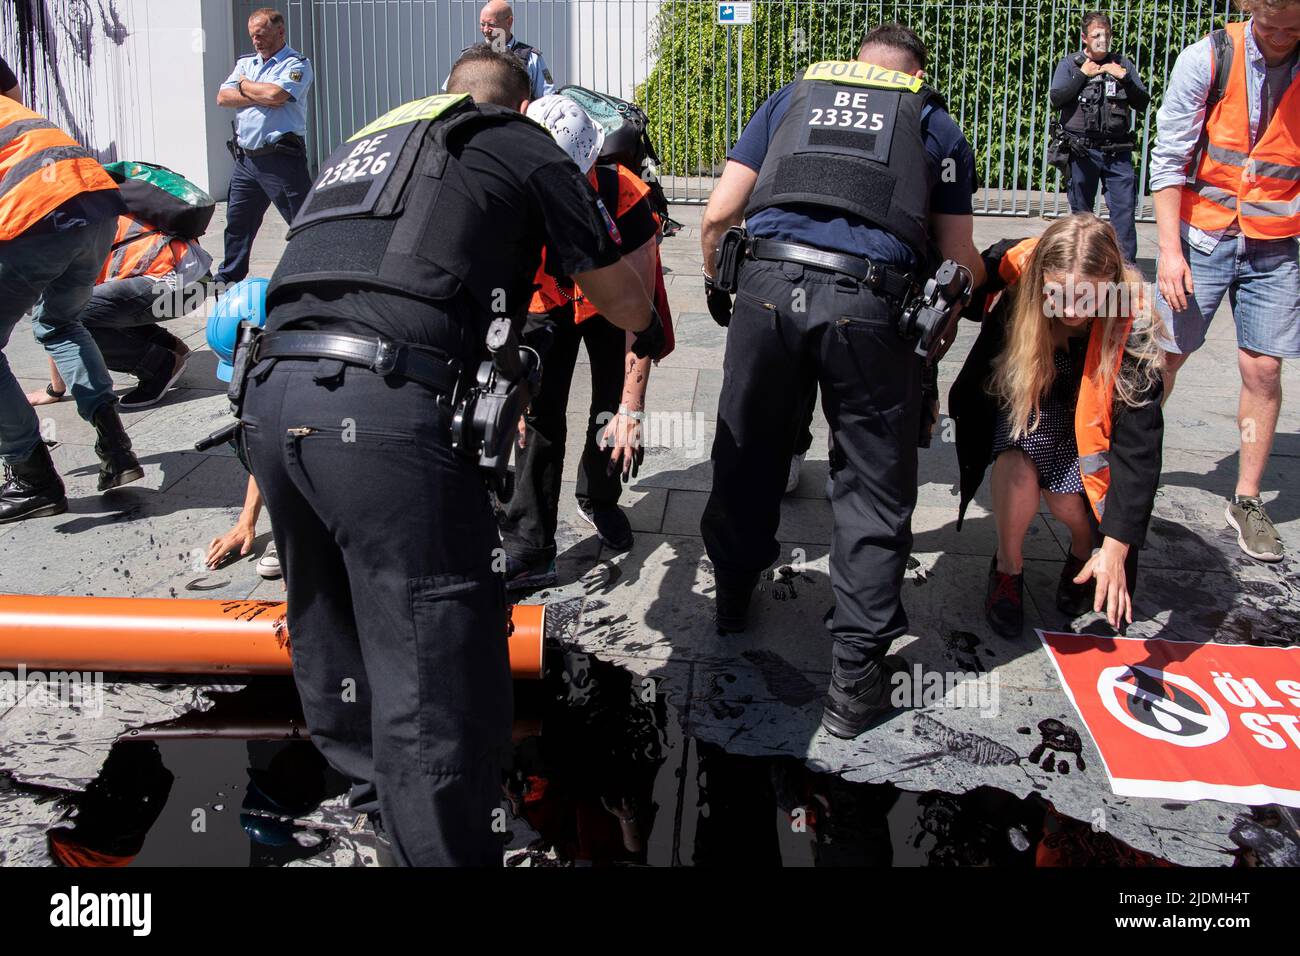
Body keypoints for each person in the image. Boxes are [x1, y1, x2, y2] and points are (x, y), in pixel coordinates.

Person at [239, 47, 661, 866]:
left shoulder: (370, 138)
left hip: (268, 401)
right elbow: (626, 304)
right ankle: (443, 849)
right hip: (383, 408)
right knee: (438, 667)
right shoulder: (519, 140)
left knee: (333, 630)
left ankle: (374, 811)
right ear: (524, 103)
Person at [697, 23, 984, 740]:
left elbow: (718, 213)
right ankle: (854, 682)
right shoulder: (934, 122)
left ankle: (733, 596)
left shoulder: (793, 96)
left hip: (765, 283)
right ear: (913, 73)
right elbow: (960, 263)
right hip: (871, 303)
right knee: (872, 482)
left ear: (857, 65)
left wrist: (718, 283)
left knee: (748, 449)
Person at [950, 214, 1165, 639]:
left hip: (1088, 411)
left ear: (1110, 286)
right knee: (1016, 473)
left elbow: (1140, 446)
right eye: (1057, 295)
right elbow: (964, 278)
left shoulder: (1132, 322)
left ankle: (1085, 552)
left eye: (1085, 299)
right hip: (1031, 393)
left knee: (1066, 499)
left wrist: (1117, 547)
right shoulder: (1019, 265)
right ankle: (1008, 569)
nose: (1069, 311)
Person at [1151, 0, 1300, 563]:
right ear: (1248, 8)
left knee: (1263, 368)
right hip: (1201, 235)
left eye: (1295, 27)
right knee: (1164, 356)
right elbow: (1168, 159)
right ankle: (1124, 467)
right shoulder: (1208, 58)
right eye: (1271, 25)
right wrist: (1168, 253)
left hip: (1274, 243)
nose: (1282, 37)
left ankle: (1247, 498)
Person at [499, 94, 663, 589]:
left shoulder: (626, 194)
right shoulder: (506, 195)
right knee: (537, 419)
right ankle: (529, 541)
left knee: (609, 407)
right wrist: (511, 390)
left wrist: (632, 408)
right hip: (541, 304)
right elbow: (494, 299)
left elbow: (642, 309)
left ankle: (598, 495)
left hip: (607, 300)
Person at [0, 96, 144, 523]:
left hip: (38, 214)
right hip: (96, 208)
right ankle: (116, 446)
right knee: (60, 323)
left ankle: (33, 479)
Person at [26, 211, 211, 410]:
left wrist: (55, 390)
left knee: (66, 314)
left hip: (173, 284)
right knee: (97, 305)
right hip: (195, 277)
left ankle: (160, 366)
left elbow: (54, 320)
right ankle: (168, 346)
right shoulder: (78, 207)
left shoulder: (44, 237)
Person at [213, 8, 314, 286]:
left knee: (302, 222)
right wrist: (255, 91)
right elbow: (223, 98)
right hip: (246, 160)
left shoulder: (296, 64)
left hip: (280, 160)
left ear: (280, 31)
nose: (256, 41)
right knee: (237, 223)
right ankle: (228, 277)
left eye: (262, 34)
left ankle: (317, 273)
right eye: (253, 36)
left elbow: (276, 94)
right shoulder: (247, 63)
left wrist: (243, 86)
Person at [1049, 12, 1150, 263]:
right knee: (1081, 216)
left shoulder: (1122, 64)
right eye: (1096, 35)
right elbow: (1057, 99)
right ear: (1084, 38)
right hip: (1082, 152)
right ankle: (1081, 263)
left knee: (1124, 212)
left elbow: (1142, 102)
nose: (1102, 40)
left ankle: (1125, 268)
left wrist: (1124, 77)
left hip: (1118, 152)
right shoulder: (1069, 65)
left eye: (1106, 35)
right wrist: (1082, 74)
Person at [444, 1, 555, 100]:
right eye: (483, 24)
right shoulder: (468, 56)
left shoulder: (532, 58)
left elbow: (547, 98)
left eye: (492, 25)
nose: (486, 30)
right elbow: (450, 95)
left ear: (509, 22)